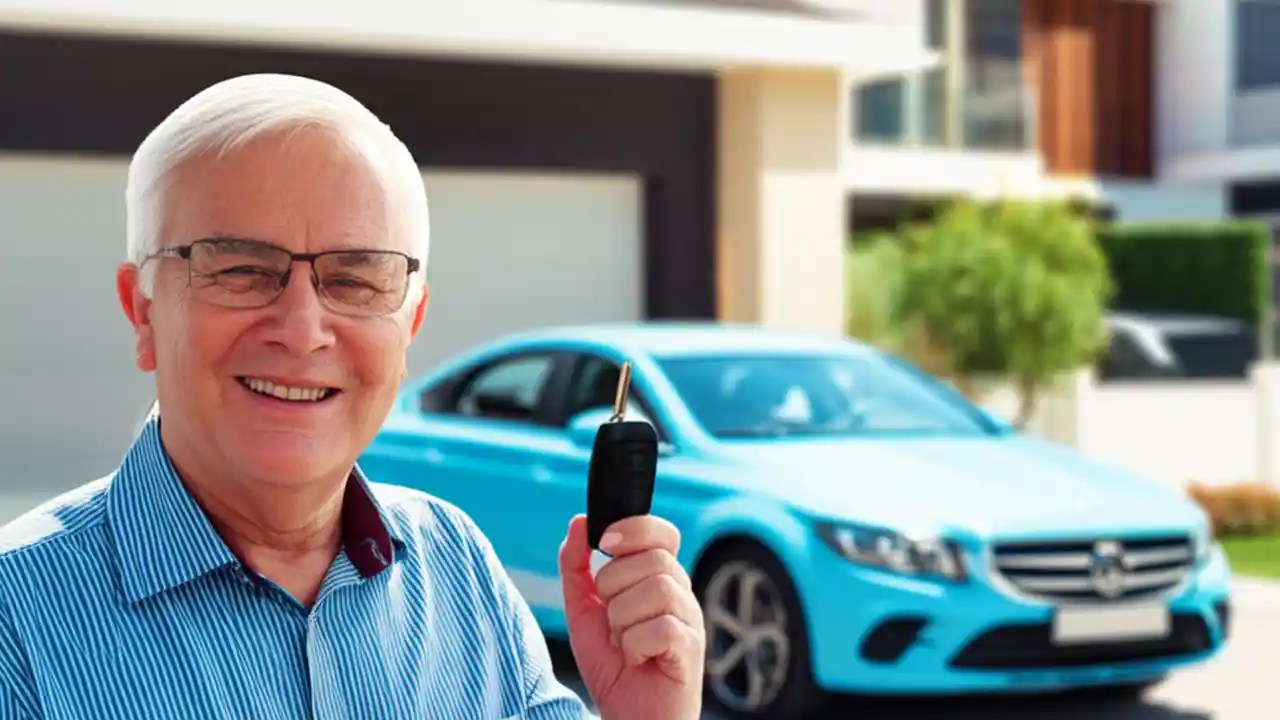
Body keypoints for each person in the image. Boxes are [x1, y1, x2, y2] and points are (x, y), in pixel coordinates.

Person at [0, 74, 704, 719]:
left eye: (357, 279)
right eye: (242, 269)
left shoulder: (458, 571)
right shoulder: (17, 623)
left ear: (410, 327)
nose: (303, 330)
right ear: (144, 311)